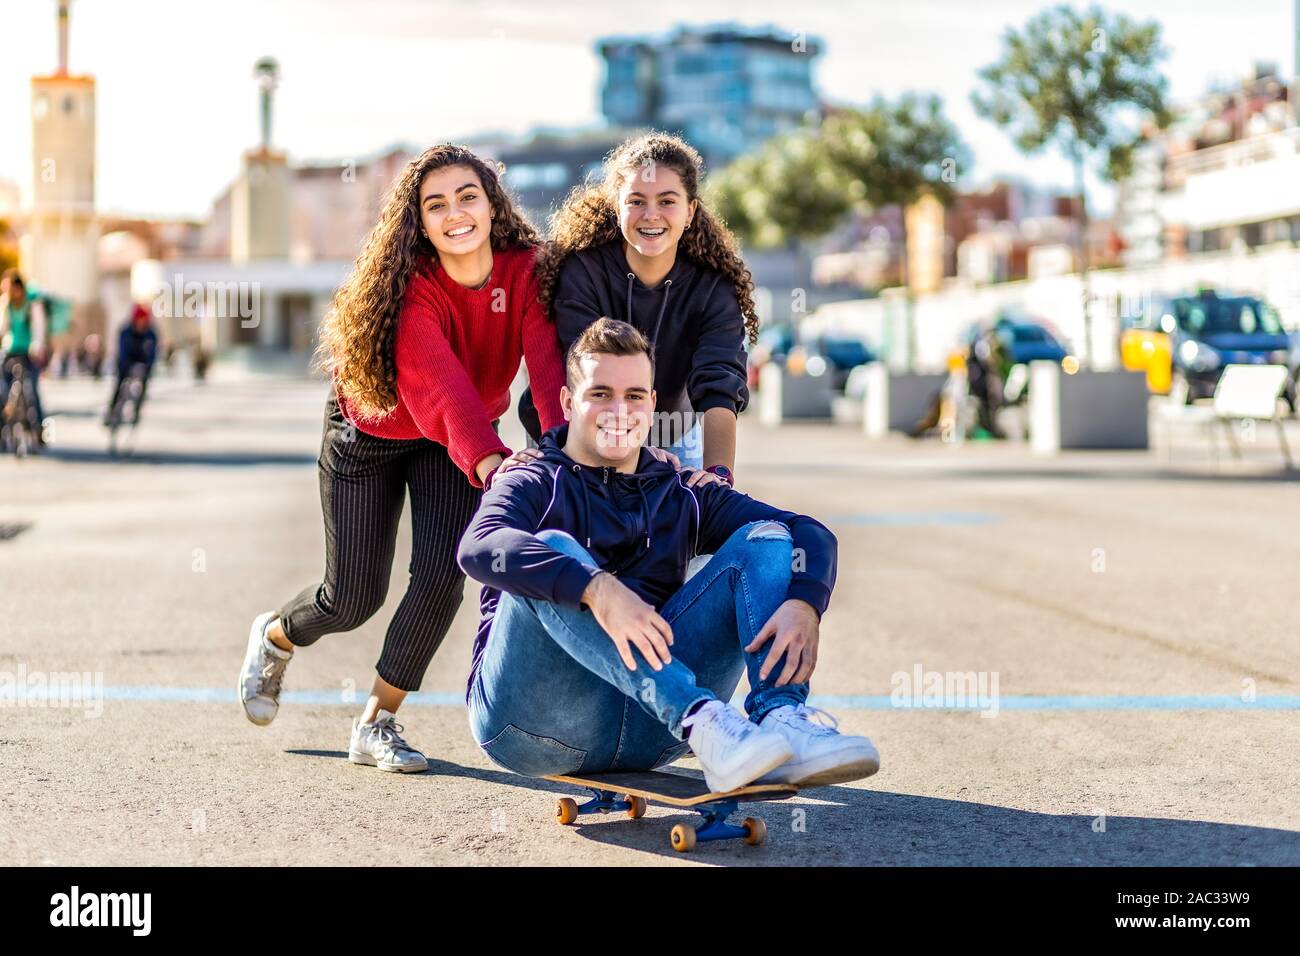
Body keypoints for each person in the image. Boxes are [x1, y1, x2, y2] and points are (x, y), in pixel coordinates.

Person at [238, 144, 569, 773]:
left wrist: (562, 452)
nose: (455, 214)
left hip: (453, 442)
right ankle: (276, 635)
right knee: (352, 597)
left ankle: (376, 723)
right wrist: (494, 462)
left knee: (445, 574)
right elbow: (439, 386)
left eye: (467, 196)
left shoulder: (528, 270)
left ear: (492, 203)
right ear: (420, 221)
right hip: (373, 432)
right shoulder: (413, 288)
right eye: (435, 204)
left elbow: (549, 370)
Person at [459, 318, 880, 792]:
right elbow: (479, 547)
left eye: (634, 395)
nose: (619, 409)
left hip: (651, 733)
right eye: (599, 394)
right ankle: (702, 718)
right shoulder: (533, 477)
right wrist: (597, 589)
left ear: (653, 404)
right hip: (534, 726)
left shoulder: (680, 490)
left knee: (767, 538)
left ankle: (780, 715)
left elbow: (808, 532)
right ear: (566, 402)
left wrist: (805, 602)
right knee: (556, 549)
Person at [517, 132, 755, 483]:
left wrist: (718, 476)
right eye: (637, 201)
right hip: (576, 430)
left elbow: (720, 386)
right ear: (617, 206)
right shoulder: (583, 271)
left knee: (679, 530)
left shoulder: (713, 288)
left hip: (668, 433)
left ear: (690, 211)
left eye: (667, 201)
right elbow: (581, 376)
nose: (651, 215)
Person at [0, 269, 49, 447]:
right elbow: (2, 328)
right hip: (10, 350)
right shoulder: (6, 304)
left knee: (32, 391)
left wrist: (36, 346)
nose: (9, 293)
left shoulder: (32, 304)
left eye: (11, 289)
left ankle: (38, 429)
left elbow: (39, 329)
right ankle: (2, 426)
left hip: (29, 352)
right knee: (3, 389)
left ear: (19, 288)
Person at [104, 304, 158, 426]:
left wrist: (149, 365)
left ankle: (137, 409)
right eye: (139, 320)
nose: (141, 323)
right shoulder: (126, 331)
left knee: (144, 383)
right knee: (119, 384)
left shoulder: (150, 333)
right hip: (126, 360)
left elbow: (153, 352)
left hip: (142, 360)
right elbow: (122, 350)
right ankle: (112, 411)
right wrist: (124, 365)